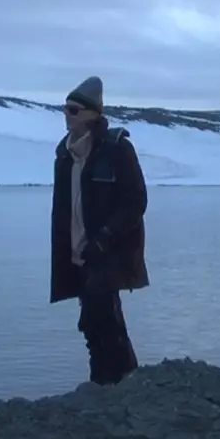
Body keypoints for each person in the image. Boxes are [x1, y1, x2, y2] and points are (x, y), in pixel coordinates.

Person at [50, 76, 149, 386]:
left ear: (94, 114)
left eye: (74, 110)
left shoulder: (117, 148)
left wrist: (106, 237)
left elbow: (136, 200)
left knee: (103, 312)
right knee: (95, 319)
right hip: (79, 250)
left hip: (110, 249)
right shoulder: (64, 154)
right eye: (65, 110)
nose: (68, 116)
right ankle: (107, 382)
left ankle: (120, 380)